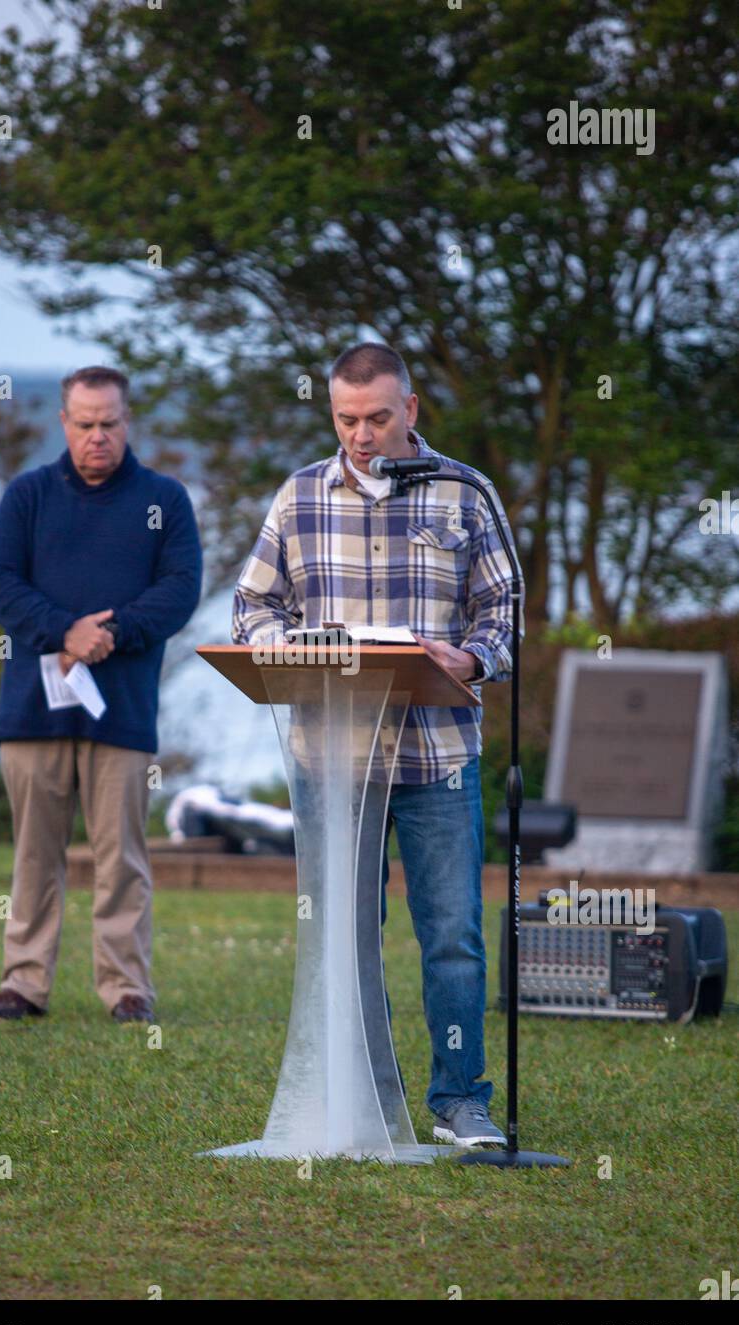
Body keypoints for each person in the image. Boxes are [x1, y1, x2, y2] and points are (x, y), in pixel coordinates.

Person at [231, 343, 523, 1146]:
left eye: (378, 418)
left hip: (439, 758)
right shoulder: (299, 499)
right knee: (346, 935)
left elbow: (503, 609)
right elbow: (251, 609)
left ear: (412, 410)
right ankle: (361, 1100)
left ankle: (461, 1103)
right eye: (346, 419)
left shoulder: (466, 492)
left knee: (454, 939)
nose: (361, 435)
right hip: (335, 764)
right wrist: (291, 647)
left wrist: (475, 656)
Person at [0, 365, 202, 1024]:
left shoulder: (166, 499)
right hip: (31, 711)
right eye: (84, 425)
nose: (97, 437)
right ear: (64, 423)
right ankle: (23, 982)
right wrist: (63, 631)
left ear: (126, 421)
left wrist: (113, 633)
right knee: (34, 855)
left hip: (122, 712)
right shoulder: (27, 496)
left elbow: (181, 589)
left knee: (123, 857)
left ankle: (126, 988)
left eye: (109, 424)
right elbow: (0, 585)